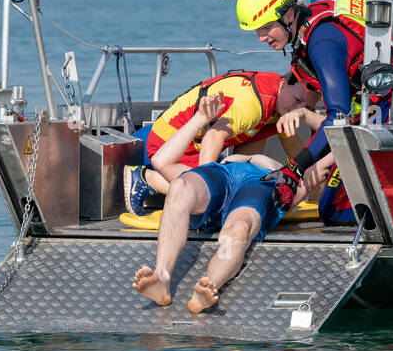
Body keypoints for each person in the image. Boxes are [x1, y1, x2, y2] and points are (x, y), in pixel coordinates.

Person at [235, 0, 393, 224]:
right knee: (332, 190)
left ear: (288, 14)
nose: (261, 38)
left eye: (266, 28)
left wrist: (294, 169)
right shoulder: (312, 23)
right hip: (390, 105)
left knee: (334, 208)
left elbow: (338, 117)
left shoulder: (321, 41)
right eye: (257, 30)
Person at [130, 95, 333, 313]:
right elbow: (160, 160)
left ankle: (209, 286)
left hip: (263, 183)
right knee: (179, 187)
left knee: (238, 228)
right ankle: (162, 277)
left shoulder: (288, 184)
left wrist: (304, 114)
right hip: (221, 174)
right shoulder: (223, 165)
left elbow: (335, 144)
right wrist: (200, 118)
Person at [122, 70, 315, 216]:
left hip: (197, 141)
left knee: (259, 134)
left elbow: (293, 145)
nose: (299, 109)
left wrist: (312, 182)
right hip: (171, 139)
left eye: (307, 107)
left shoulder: (280, 104)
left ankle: (231, 185)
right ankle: (146, 178)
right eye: (297, 99)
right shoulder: (254, 105)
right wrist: (209, 189)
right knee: (203, 194)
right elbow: (212, 137)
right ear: (283, 84)